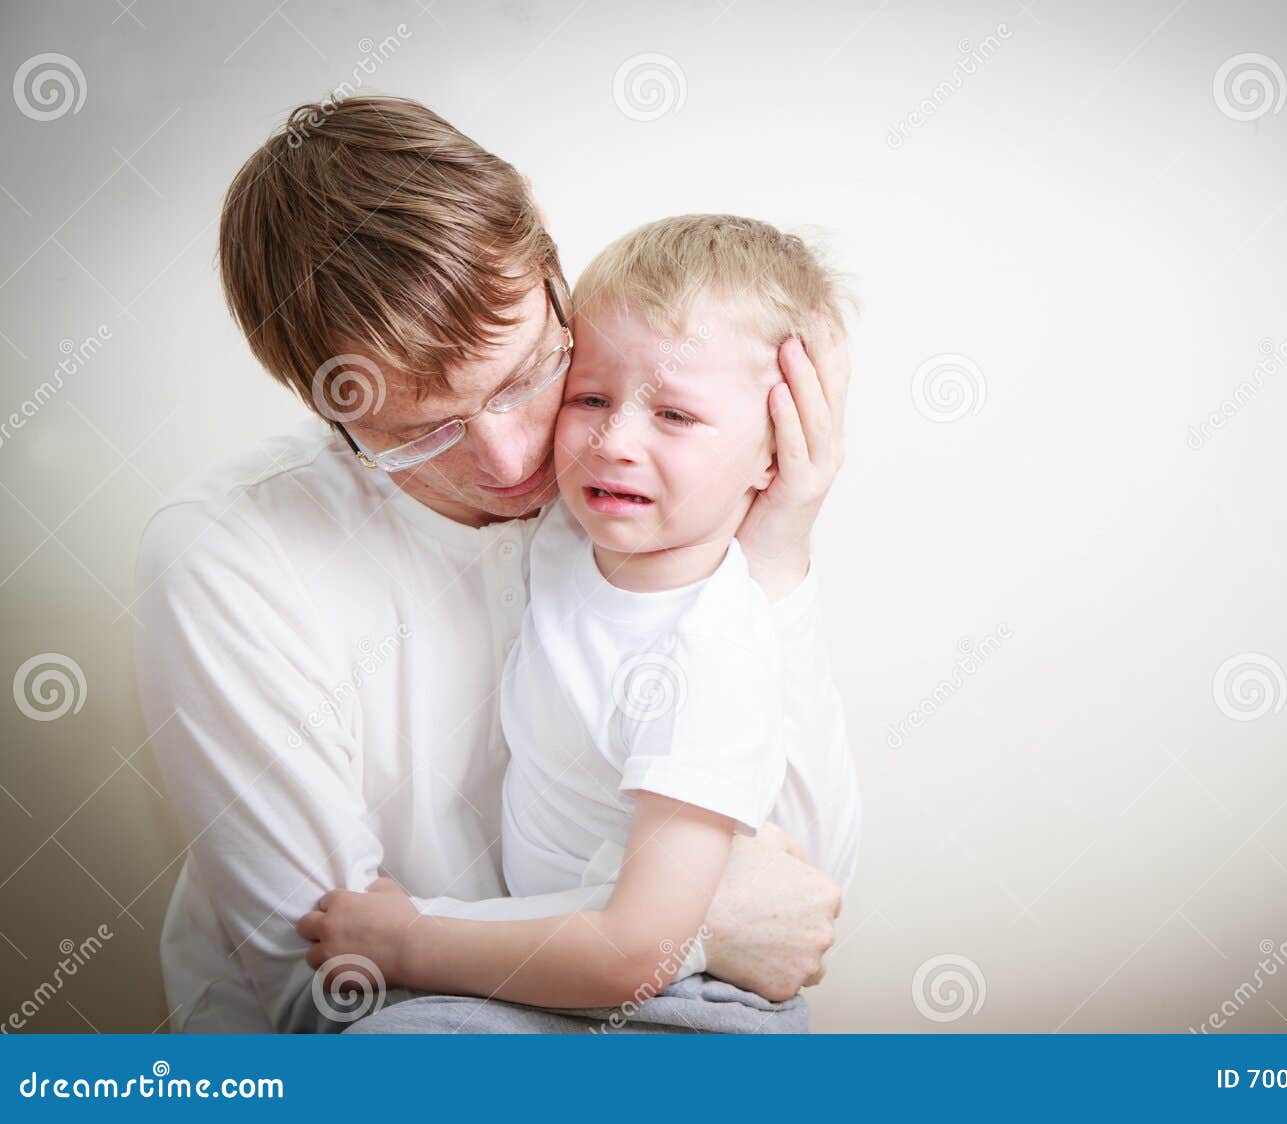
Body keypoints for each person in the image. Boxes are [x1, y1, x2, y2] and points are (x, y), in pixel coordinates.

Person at [133, 97, 856, 1034]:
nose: (514, 460)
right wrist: (692, 934)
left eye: (527, 376)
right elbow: (331, 989)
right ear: (326, 406)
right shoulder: (229, 556)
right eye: (421, 432)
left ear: (549, 261)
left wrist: (777, 555)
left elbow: (803, 903)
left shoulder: (632, 486)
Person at [297, 216, 856, 1026]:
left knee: (395, 1040)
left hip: (682, 1002)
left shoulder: (710, 656)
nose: (614, 440)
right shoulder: (568, 532)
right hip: (569, 968)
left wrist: (411, 942)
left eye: (677, 416)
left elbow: (636, 953)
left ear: (777, 450)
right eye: (590, 397)